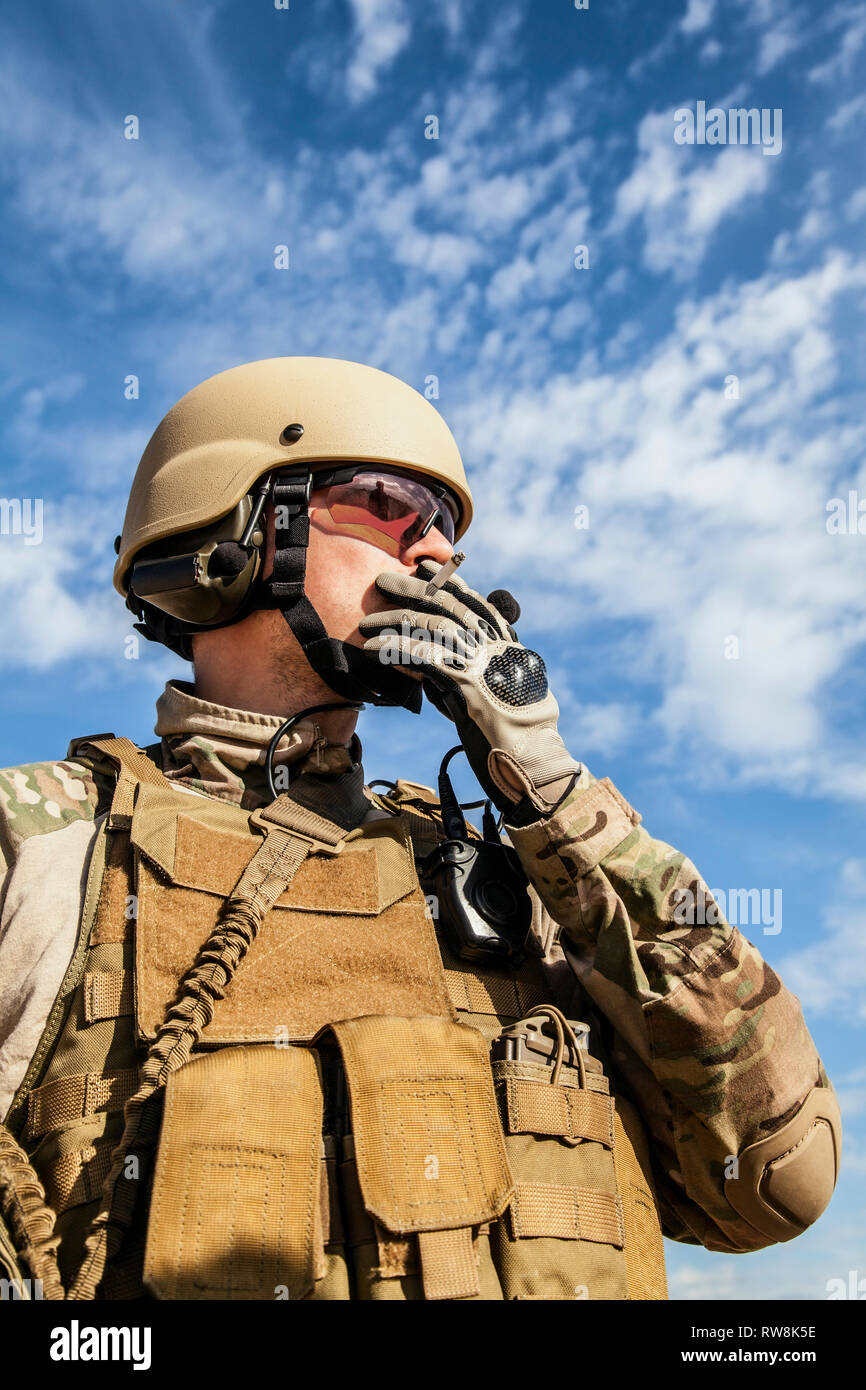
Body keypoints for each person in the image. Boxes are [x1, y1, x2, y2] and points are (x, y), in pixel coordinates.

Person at [0, 357, 841, 1302]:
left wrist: (556, 797)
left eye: (447, 529)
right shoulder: (47, 843)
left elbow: (781, 1179)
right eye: (389, 506)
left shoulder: (512, 866)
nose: (438, 556)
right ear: (237, 531)